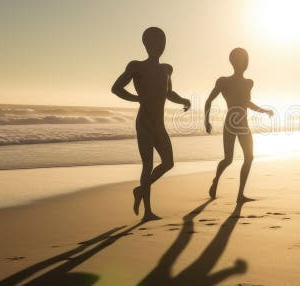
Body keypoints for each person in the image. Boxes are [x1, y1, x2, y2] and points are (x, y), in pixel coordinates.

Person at [112, 27, 190, 221]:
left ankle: (140, 190)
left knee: (169, 162)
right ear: (146, 45)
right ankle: (147, 211)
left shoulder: (166, 69)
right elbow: (116, 88)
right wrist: (137, 99)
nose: (159, 46)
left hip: (159, 125)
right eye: (154, 43)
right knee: (147, 165)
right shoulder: (136, 66)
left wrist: (183, 101)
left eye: (162, 43)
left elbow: (169, 93)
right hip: (144, 123)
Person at [205, 48, 273, 202]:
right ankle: (216, 181)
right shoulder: (223, 81)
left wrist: (263, 111)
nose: (241, 63)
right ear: (232, 62)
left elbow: (246, 103)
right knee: (228, 159)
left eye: (244, 60)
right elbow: (209, 100)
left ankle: (240, 195)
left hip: (244, 124)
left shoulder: (248, 83)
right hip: (230, 123)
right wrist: (206, 120)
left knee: (249, 157)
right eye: (238, 60)